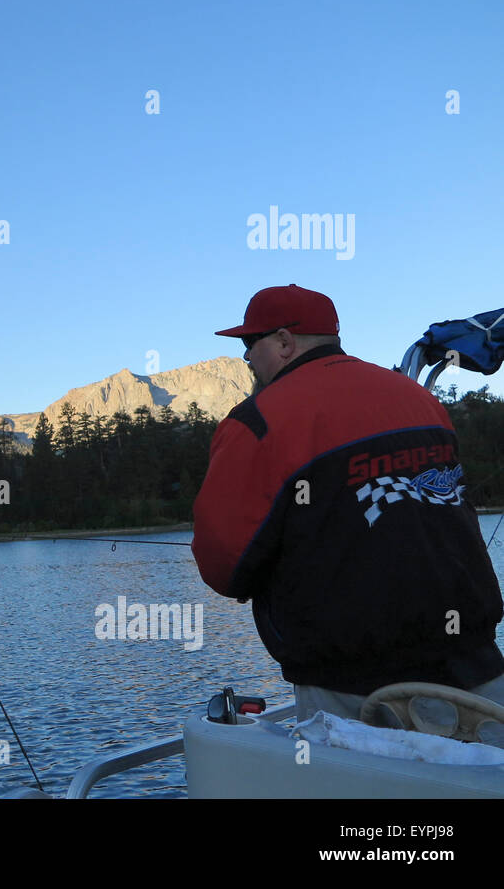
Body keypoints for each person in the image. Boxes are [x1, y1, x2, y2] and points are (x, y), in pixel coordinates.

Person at [190, 284, 504, 722]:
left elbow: (225, 565)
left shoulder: (259, 420)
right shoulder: (420, 399)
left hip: (353, 688)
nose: (245, 357)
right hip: (478, 667)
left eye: (249, 342)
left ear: (284, 342)